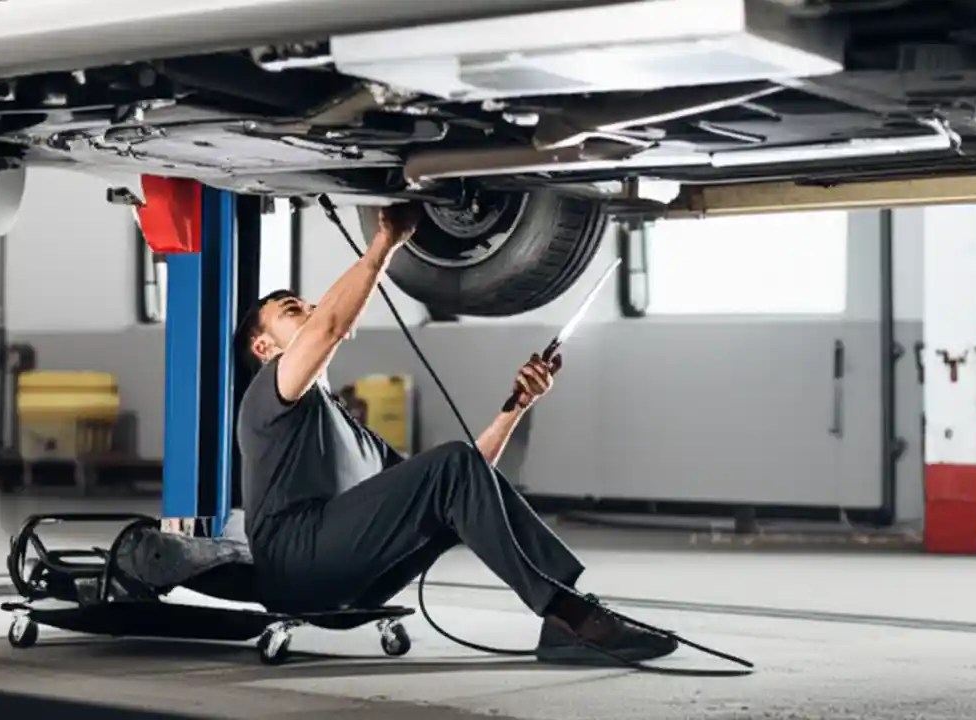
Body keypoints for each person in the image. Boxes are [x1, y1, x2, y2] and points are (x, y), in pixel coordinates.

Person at [233, 203, 677, 666]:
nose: (311, 308)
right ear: (264, 347)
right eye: (292, 310)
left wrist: (518, 405)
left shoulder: (349, 428)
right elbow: (330, 325)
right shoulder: (268, 395)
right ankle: (570, 615)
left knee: (453, 477)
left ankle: (567, 611)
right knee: (449, 465)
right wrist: (386, 243)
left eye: (306, 303)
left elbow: (465, 483)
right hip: (293, 567)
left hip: (348, 576)